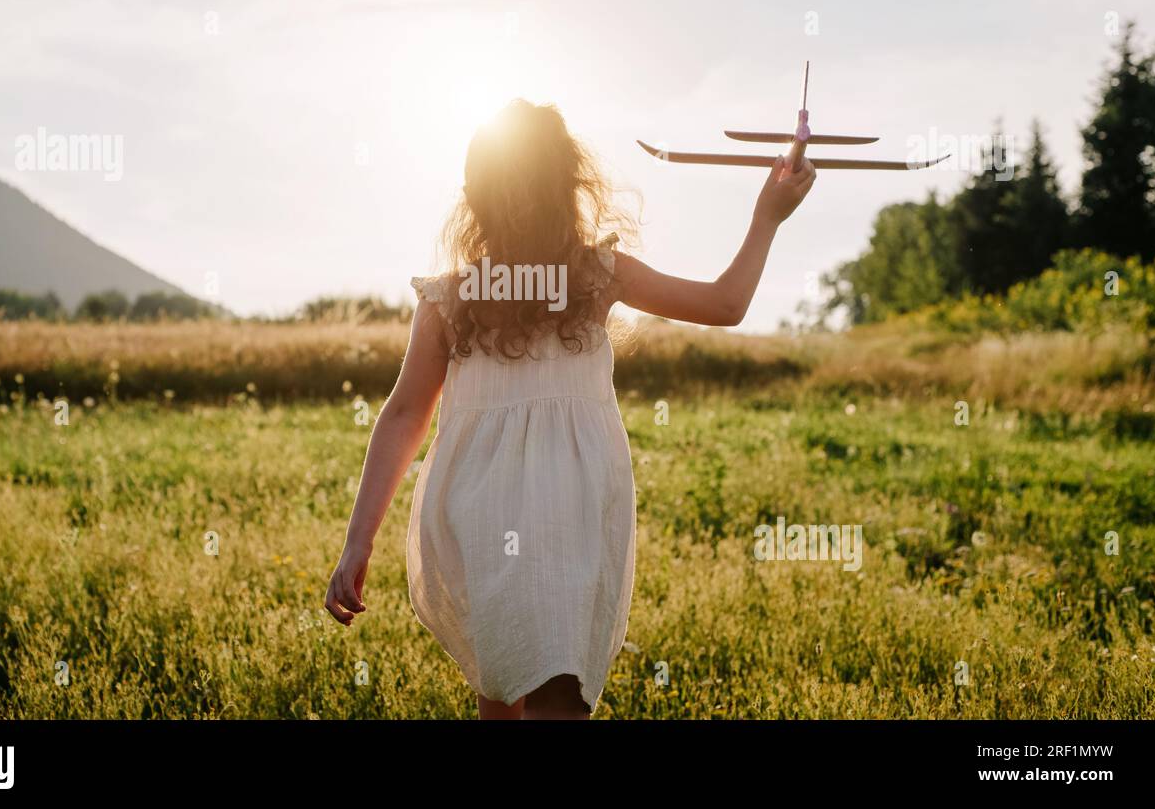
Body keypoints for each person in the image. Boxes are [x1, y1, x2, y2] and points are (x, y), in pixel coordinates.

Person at [325, 99, 816, 718]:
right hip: (550, 510)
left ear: (475, 196)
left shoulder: (576, 278)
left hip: (504, 511)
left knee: (515, 684)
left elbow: (403, 416)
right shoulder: (481, 294)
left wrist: (768, 213)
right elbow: (726, 303)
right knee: (536, 686)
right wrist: (766, 218)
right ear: (569, 185)